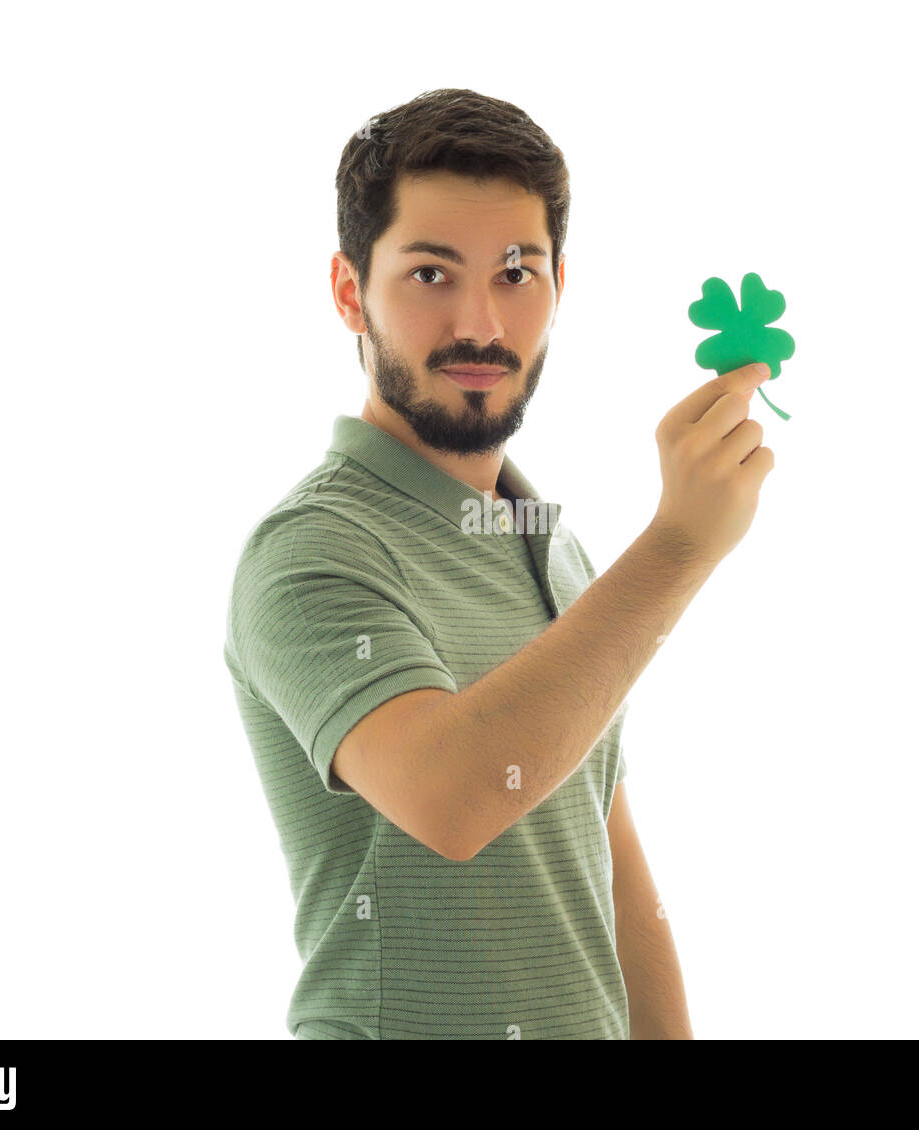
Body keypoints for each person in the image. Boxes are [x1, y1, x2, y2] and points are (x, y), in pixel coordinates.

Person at [223, 88, 773, 1039]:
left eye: (517, 274)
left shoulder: (554, 544)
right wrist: (680, 545)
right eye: (432, 275)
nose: (481, 322)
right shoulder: (309, 552)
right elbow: (457, 798)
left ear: (562, 285)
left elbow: (608, 865)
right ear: (351, 290)